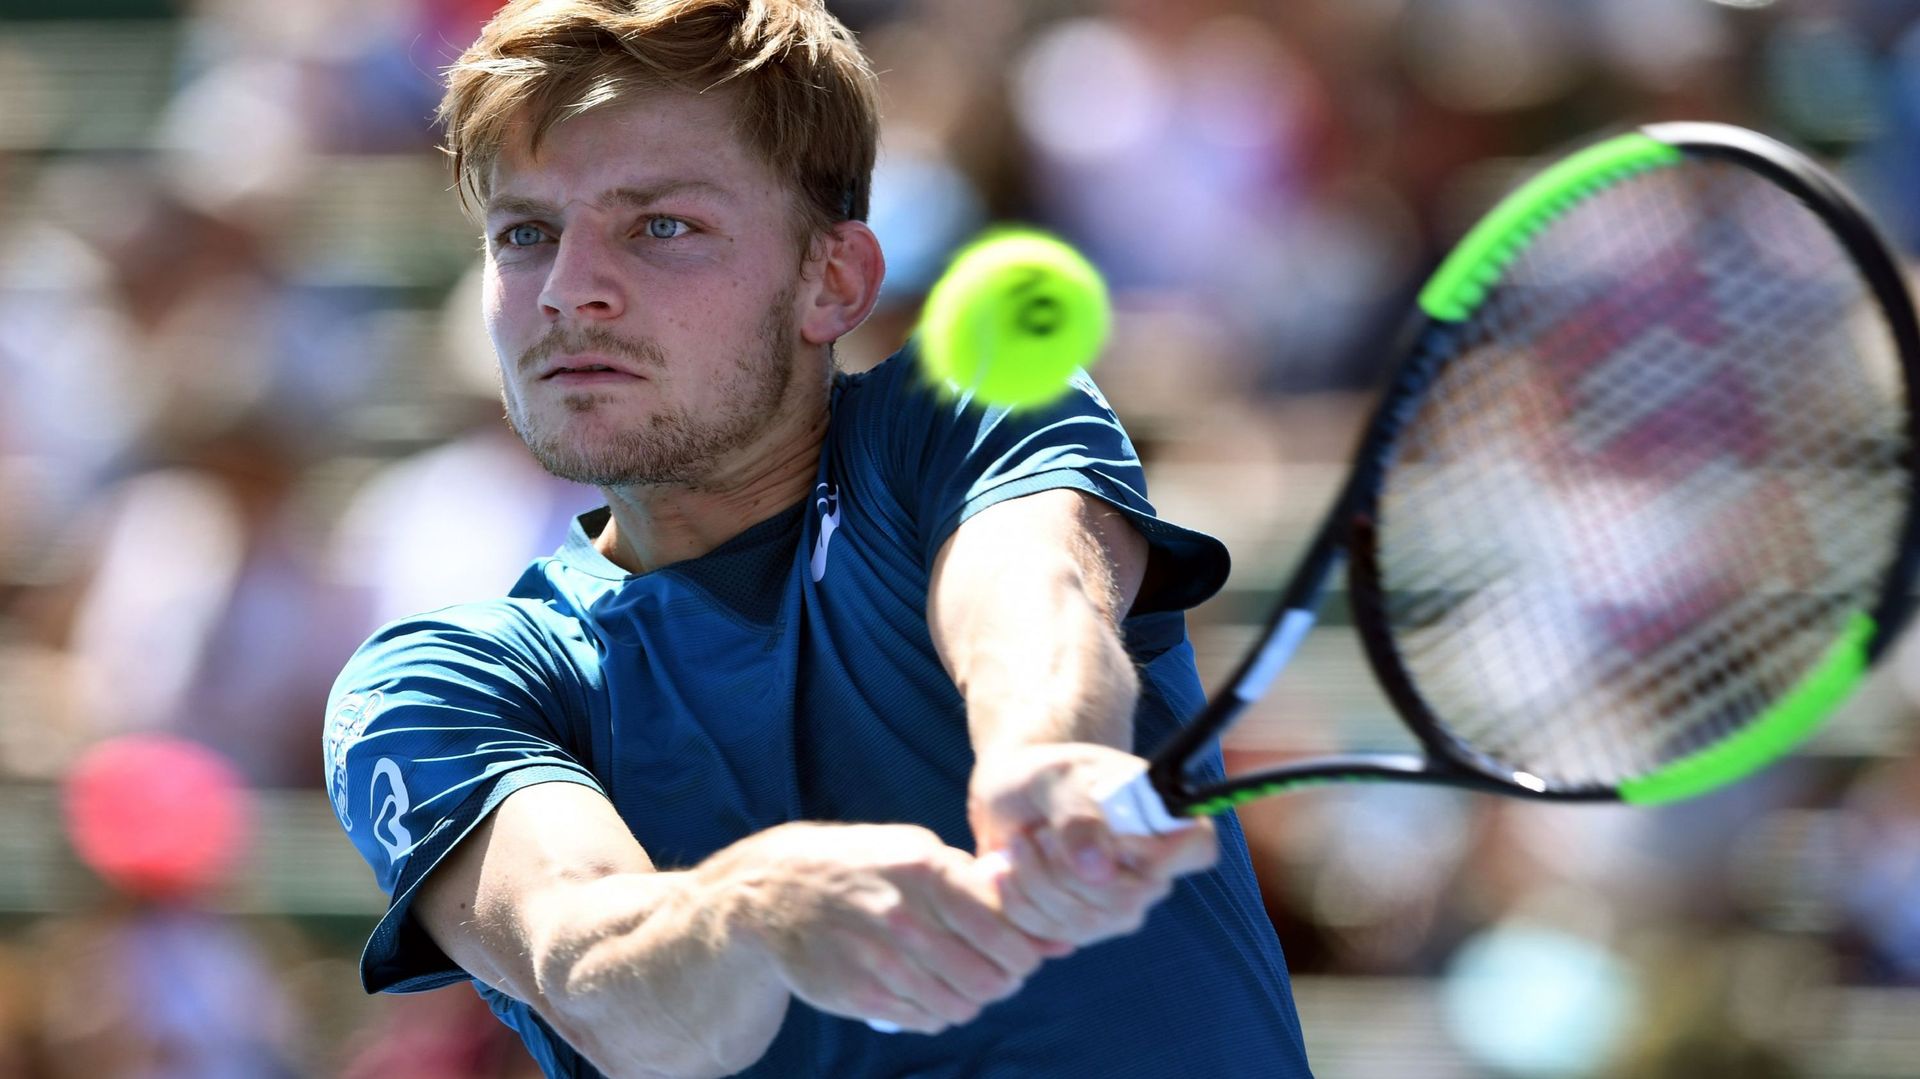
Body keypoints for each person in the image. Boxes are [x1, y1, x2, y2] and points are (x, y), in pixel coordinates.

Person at [322, 1, 1311, 1076]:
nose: (570, 292)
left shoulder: (963, 408)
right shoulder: (440, 684)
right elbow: (592, 964)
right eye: (527, 233)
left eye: (662, 226)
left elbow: (1034, 597)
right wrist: (759, 911)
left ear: (831, 280)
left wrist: (1045, 751)